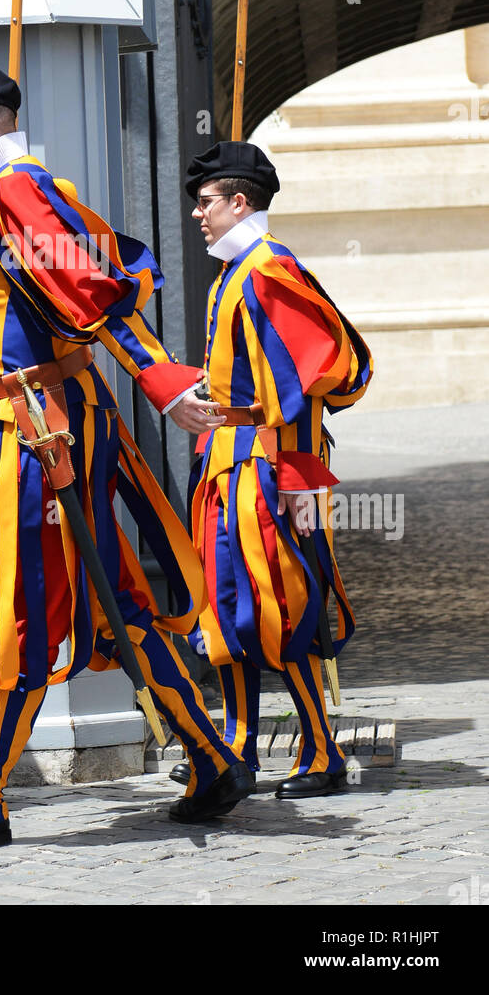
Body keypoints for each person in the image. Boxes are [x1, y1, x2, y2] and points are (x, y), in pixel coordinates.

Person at [0, 66, 253, 860]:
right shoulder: (6, 197)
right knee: (114, 602)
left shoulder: (19, 191)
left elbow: (92, 295)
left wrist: (160, 380)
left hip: (33, 432)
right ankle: (210, 757)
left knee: (7, 610)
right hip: (35, 425)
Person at [175, 140, 372, 798]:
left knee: (279, 609)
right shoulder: (239, 270)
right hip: (227, 470)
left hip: (269, 471)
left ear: (239, 201)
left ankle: (319, 752)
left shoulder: (266, 270)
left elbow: (325, 374)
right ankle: (235, 748)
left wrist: (292, 476)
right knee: (227, 612)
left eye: (205, 203)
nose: (197, 215)